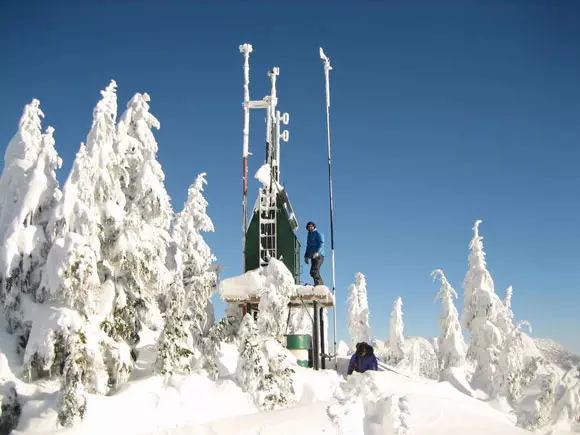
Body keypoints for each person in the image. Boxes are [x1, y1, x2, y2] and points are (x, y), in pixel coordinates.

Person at [304, 221, 325, 286]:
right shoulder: (309, 236)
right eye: (308, 227)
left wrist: (317, 252)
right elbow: (308, 247)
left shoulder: (317, 233)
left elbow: (321, 243)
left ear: (314, 226)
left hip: (319, 256)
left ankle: (319, 285)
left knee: (314, 270)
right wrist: (306, 256)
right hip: (313, 257)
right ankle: (318, 285)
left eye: (311, 226)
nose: (310, 228)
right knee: (313, 272)